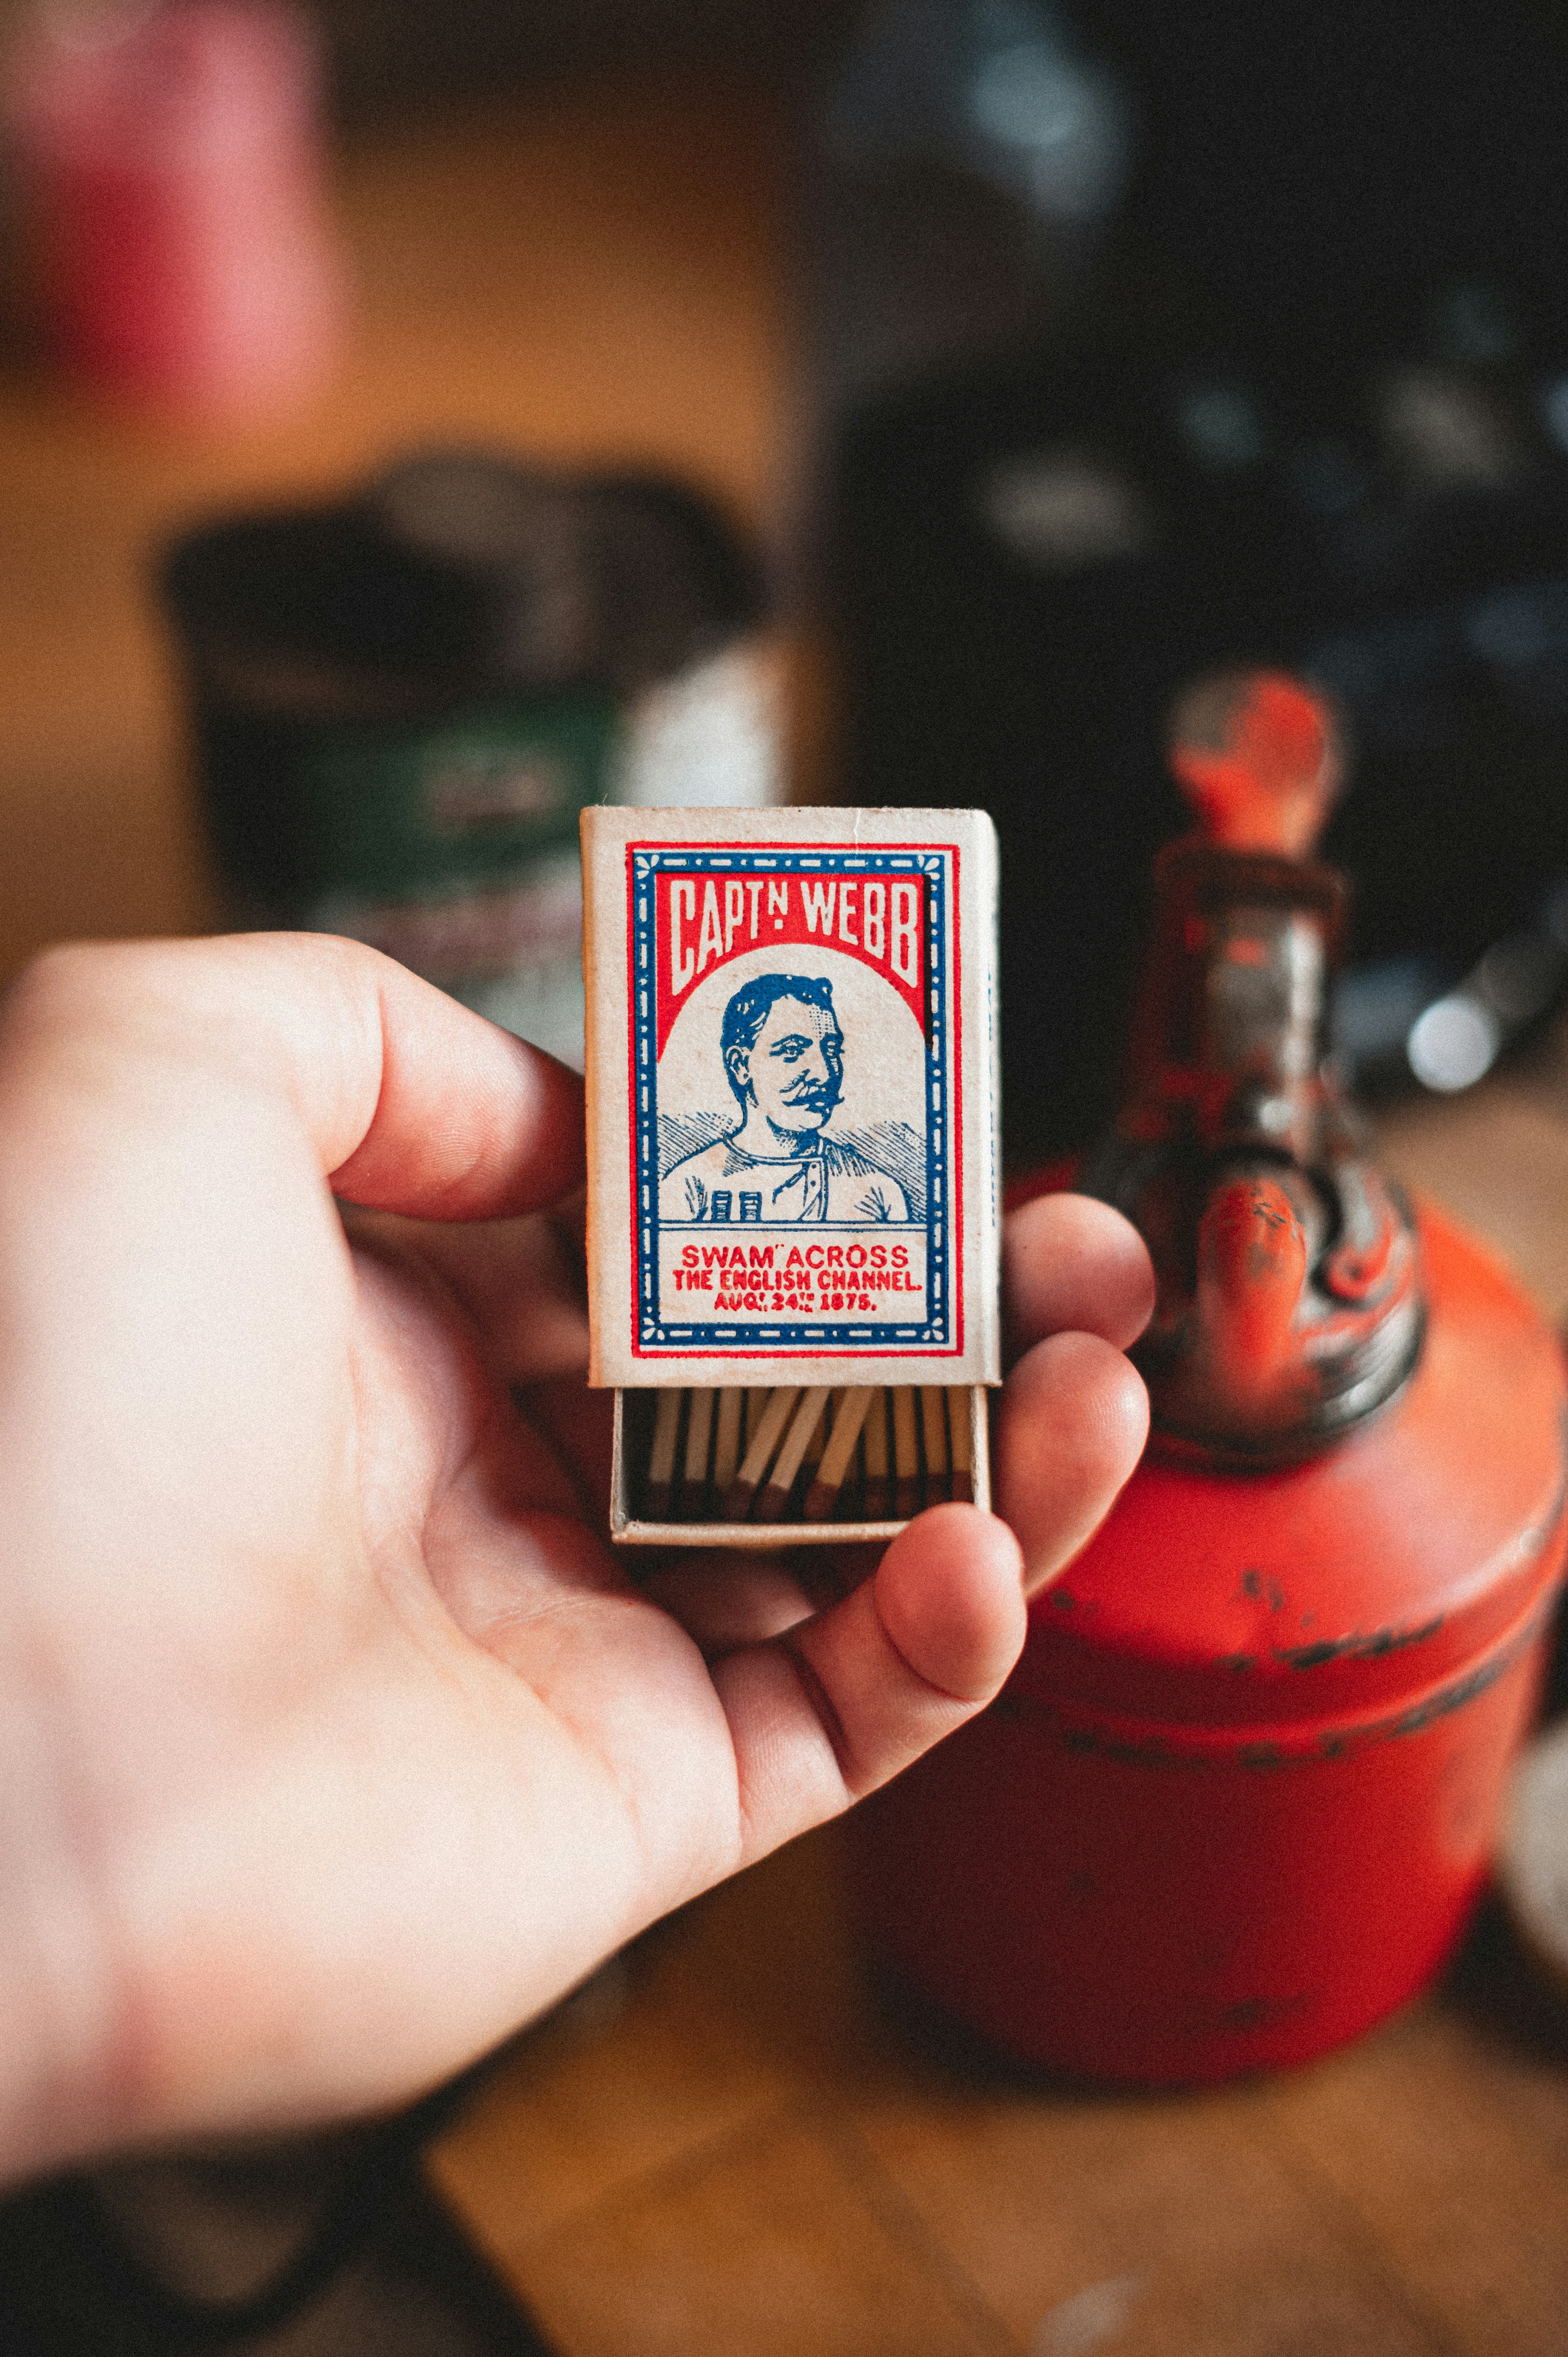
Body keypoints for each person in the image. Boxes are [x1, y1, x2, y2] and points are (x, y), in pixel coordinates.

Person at [0, 934, 1153, 2188]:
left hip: (777, 1511)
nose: (818, 1071)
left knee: (998, 1496)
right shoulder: (691, 1180)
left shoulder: (879, 1199)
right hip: (646, 1511)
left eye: (832, 1051)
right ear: (735, 1066)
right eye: (790, 1051)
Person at [660, 971, 911, 1222]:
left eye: (832, 1050)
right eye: (792, 1051)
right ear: (741, 1066)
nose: (825, 1074)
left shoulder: (877, 1192)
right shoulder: (691, 1188)